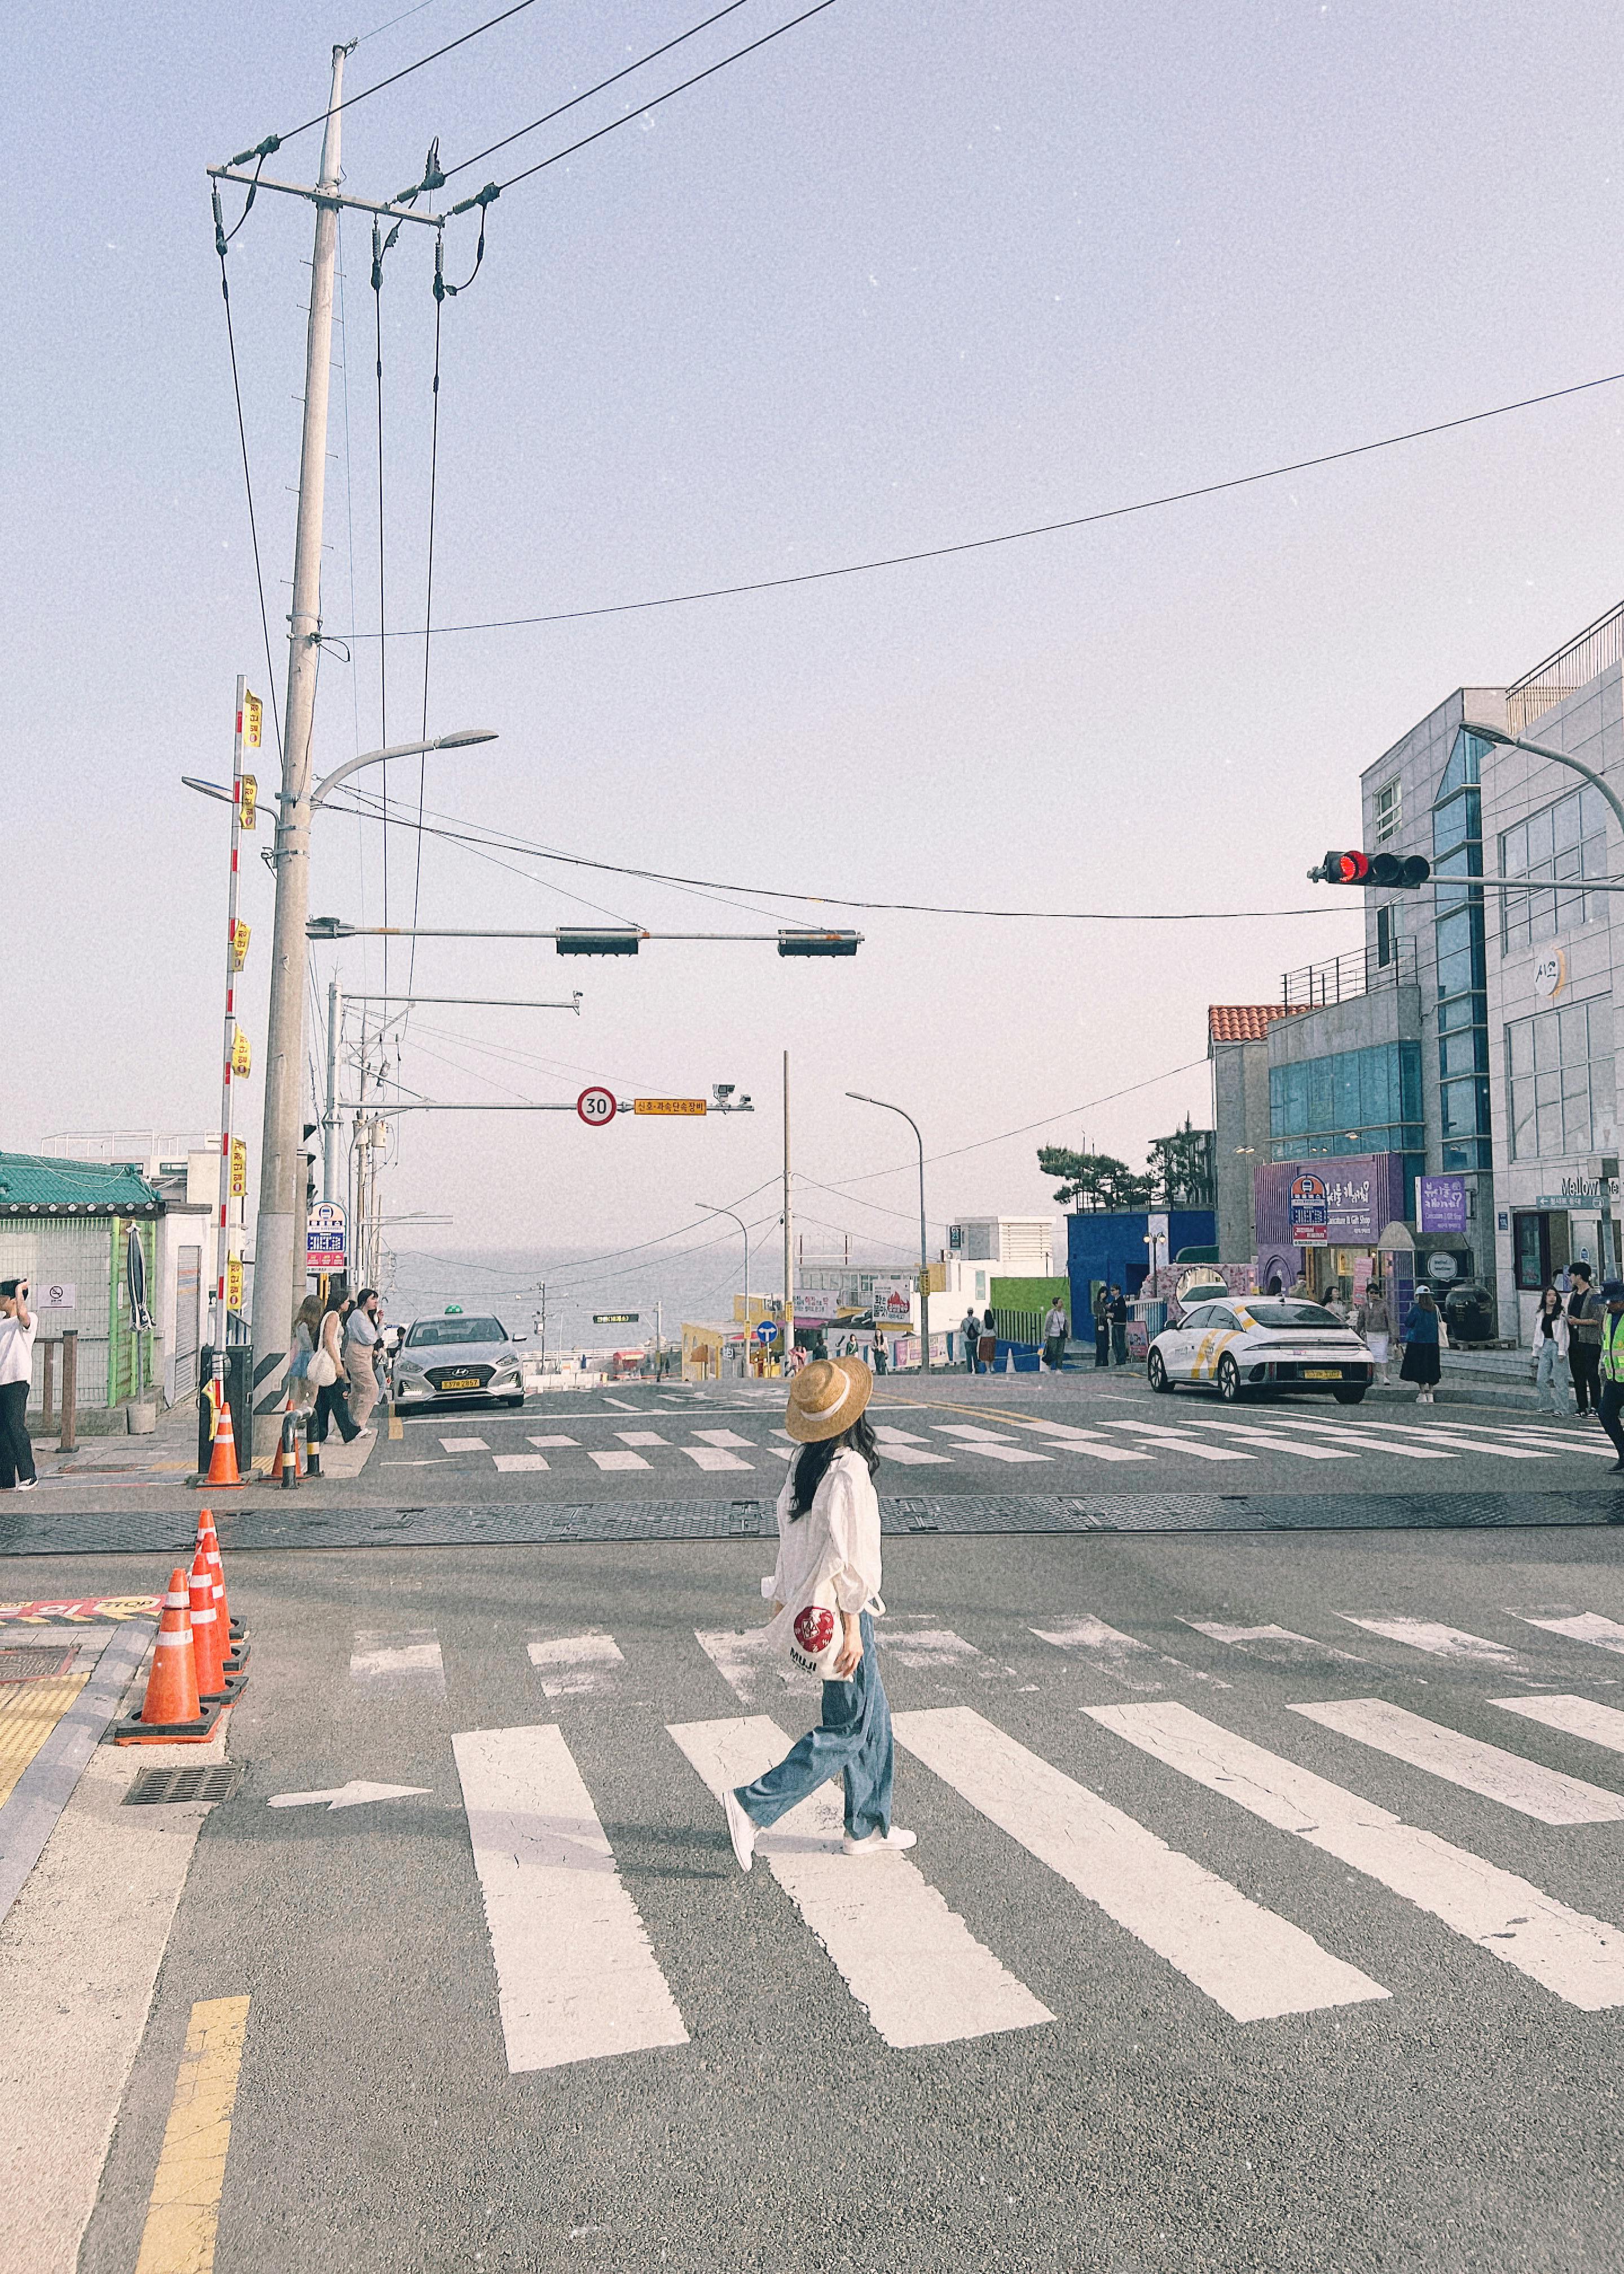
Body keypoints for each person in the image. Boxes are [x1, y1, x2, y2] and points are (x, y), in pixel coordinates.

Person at [721, 1357, 912, 1868]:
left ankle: (866, 1824)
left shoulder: (805, 1465)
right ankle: (752, 1805)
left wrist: (782, 1596)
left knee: (873, 1715)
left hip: (818, 1607)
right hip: (843, 1611)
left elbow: (792, 1542)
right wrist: (852, 1626)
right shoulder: (849, 1472)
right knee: (849, 1726)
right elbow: (853, 1560)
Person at [0, 1279, 38, 1493]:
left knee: (15, 1427)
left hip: (17, 1381)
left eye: (2, 1297)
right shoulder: (1, 1324)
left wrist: (19, 1291)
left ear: (13, 1299)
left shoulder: (27, 1319)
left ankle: (29, 1475)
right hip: (1, 1380)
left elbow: (22, 1315)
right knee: (2, 1431)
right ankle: (5, 1479)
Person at [311, 1292, 360, 1445]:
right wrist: (338, 1363)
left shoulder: (331, 1315)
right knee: (340, 1396)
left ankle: (319, 1432)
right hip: (330, 1362)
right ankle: (350, 1430)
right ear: (340, 1303)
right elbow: (328, 1340)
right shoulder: (333, 1316)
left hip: (330, 1361)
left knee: (323, 1401)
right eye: (346, 1301)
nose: (348, 1304)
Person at [344, 1287, 384, 1431]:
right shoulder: (358, 1315)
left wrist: (379, 1322)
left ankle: (352, 1424)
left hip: (364, 1355)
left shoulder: (366, 1316)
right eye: (373, 1298)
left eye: (376, 1299)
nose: (376, 1302)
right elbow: (370, 1338)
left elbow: (376, 1335)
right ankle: (359, 1424)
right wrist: (376, 1334)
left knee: (358, 1390)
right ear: (364, 1299)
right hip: (358, 1353)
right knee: (371, 1388)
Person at [1567, 1263, 1604, 1422]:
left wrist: (1578, 1321)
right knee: (1578, 1375)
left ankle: (1596, 1406)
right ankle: (1582, 1406)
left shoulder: (1594, 1295)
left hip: (1590, 1341)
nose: (1570, 1278)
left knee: (1592, 1374)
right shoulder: (1573, 1295)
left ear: (1579, 1276)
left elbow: (1597, 1319)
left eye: (1572, 1275)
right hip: (1574, 1340)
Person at [1597, 1283, 1624, 1489]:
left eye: (1612, 1301)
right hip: (1614, 1379)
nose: (1609, 1304)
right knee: (1605, 1413)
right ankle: (1623, 1453)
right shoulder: (1608, 1316)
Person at [1533, 1286, 1572, 1418]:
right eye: (1549, 1295)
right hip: (1545, 1345)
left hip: (1557, 1346)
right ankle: (1546, 1405)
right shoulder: (1541, 1313)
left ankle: (1563, 1408)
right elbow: (1538, 1333)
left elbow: (1564, 1334)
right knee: (1541, 1379)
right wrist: (1535, 1352)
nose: (1552, 1298)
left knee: (1560, 1380)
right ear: (1545, 1297)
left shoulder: (1560, 1313)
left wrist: (1562, 1351)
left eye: (1554, 1295)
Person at [1399, 1285, 1442, 1404]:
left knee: (1420, 1368)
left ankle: (1422, 1394)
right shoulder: (1435, 1308)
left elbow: (1408, 1323)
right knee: (1432, 1368)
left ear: (1419, 1296)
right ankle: (1431, 1394)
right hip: (1433, 1342)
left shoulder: (1416, 1309)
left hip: (1417, 1342)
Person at [288, 1294, 323, 1414]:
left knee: (301, 1391)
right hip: (311, 1358)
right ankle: (310, 1415)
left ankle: (295, 1413)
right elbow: (309, 1345)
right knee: (313, 1391)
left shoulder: (300, 1323)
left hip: (302, 1358)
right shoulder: (308, 1326)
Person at [1355, 1278, 1393, 1386]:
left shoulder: (1384, 1304)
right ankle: (1375, 1375)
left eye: (1376, 1293)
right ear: (1367, 1294)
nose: (1373, 1295)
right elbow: (1361, 1321)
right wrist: (1357, 1333)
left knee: (1383, 1354)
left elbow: (1390, 1320)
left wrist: (1394, 1335)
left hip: (1382, 1333)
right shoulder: (1365, 1306)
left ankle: (1386, 1376)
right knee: (1372, 1355)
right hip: (1370, 1333)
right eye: (1371, 1293)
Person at [1041, 1297, 1068, 1373]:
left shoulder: (1064, 1313)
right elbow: (1047, 1325)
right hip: (1053, 1336)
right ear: (1056, 1304)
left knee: (1060, 1353)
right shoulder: (1051, 1314)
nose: (1062, 1303)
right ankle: (1048, 1365)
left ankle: (1059, 1369)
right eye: (1060, 1302)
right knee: (1052, 1352)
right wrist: (1046, 1336)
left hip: (1061, 1336)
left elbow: (1066, 1323)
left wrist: (1068, 1334)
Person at [1108, 1286, 1128, 1367]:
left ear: (1118, 1291)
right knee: (1114, 1342)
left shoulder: (1121, 1301)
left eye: (1113, 1290)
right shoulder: (1114, 1302)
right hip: (1115, 1324)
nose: (1112, 1292)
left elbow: (1122, 1312)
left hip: (1120, 1324)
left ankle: (1122, 1359)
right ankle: (1118, 1359)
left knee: (1120, 1342)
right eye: (1111, 1291)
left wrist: (1114, 1315)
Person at [1093, 1287, 1111, 1369]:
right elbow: (1097, 1313)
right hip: (1098, 1324)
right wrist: (1105, 1315)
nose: (1104, 1295)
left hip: (1105, 1324)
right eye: (1103, 1293)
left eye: (1106, 1293)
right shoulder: (1096, 1303)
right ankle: (1099, 1361)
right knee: (1100, 1343)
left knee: (1106, 1343)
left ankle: (1105, 1361)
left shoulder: (1106, 1304)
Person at [978, 1308, 998, 1375]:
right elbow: (997, 1331)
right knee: (991, 1353)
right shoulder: (994, 1322)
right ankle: (992, 1367)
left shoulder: (983, 1323)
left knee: (985, 1354)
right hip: (992, 1338)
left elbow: (980, 1331)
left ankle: (988, 1370)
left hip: (984, 1339)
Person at [961, 1306, 980, 1374]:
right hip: (974, 1340)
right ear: (973, 1313)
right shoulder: (977, 1320)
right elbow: (979, 1330)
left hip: (967, 1340)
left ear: (967, 1313)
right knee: (975, 1354)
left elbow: (961, 1330)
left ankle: (970, 1370)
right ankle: (977, 1369)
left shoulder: (964, 1321)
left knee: (968, 1355)